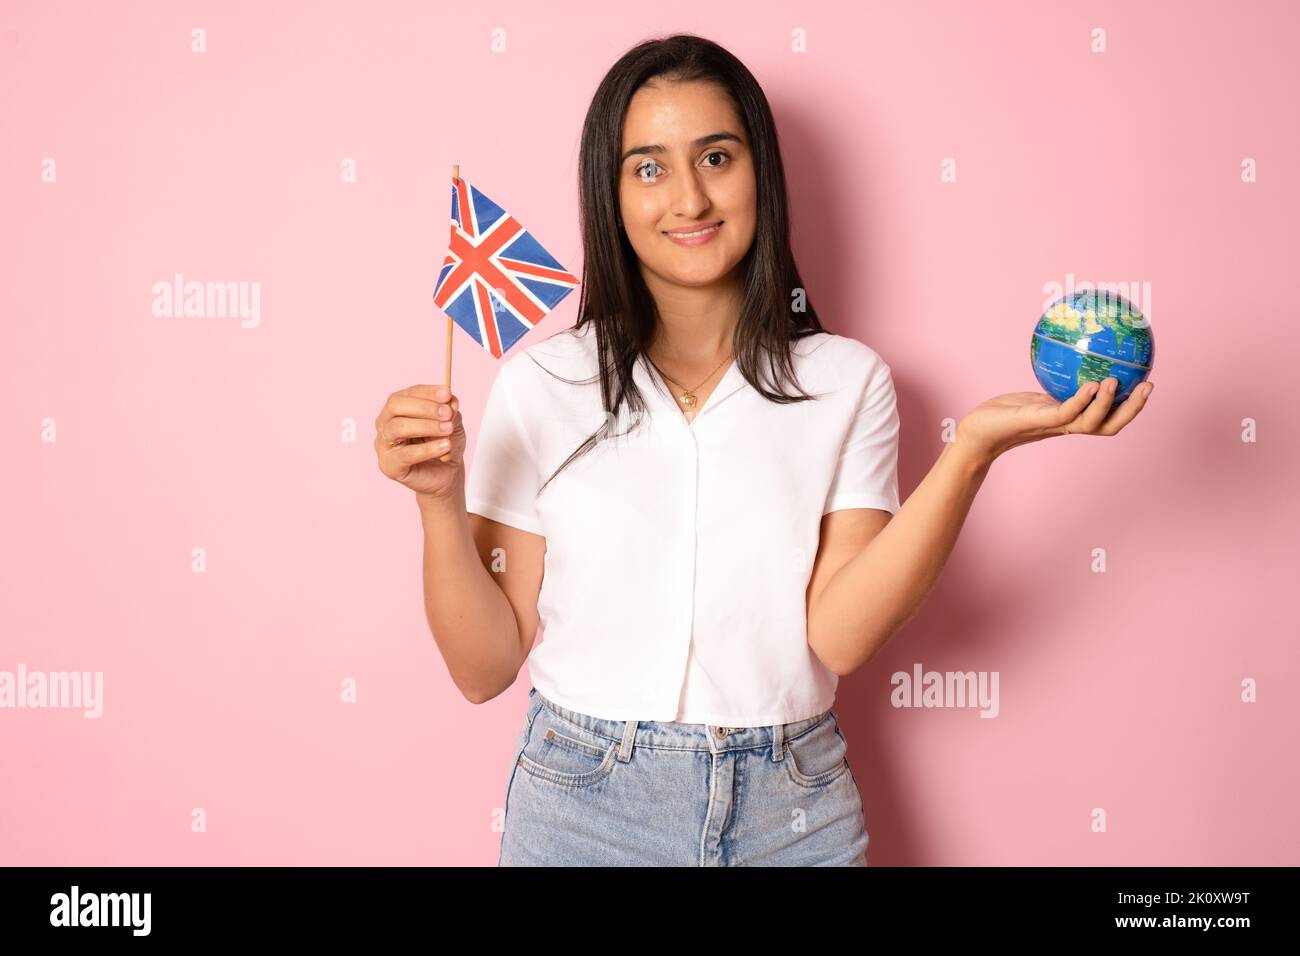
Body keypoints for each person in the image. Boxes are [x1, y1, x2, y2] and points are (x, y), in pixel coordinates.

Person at [373, 35, 1154, 866]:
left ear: (761, 174)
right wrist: (437, 502)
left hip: (795, 808)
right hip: (582, 808)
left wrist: (974, 454)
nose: (689, 198)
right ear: (610, 194)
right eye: (648, 167)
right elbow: (484, 668)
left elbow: (841, 637)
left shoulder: (848, 381)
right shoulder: (543, 383)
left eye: (717, 155)